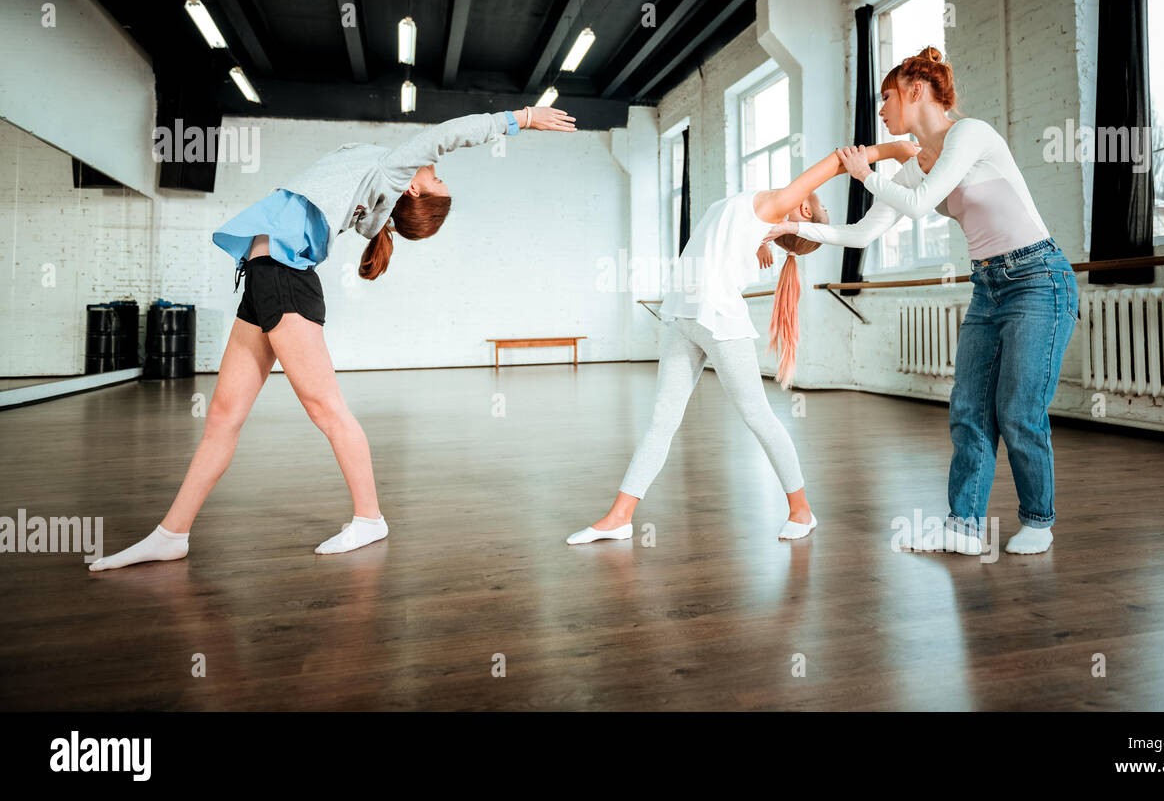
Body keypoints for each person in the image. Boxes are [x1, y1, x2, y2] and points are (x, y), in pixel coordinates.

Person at [90, 105, 577, 571]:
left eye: (439, 179)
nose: (437, 169)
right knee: (222, 417)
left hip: (284, 279)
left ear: (412, 190)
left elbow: (446, 134)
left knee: (327, 410)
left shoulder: (392, 170)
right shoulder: (376, 174)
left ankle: (369, 519)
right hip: (261, 279)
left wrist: (521, 120)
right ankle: (172, 535)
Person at [767, 46, 1077, 556]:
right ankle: (964, 529)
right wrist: (793, 226)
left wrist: (866, 173)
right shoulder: (919, 165)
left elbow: (916, 205)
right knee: (969, 410)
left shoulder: (971, 134)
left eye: (886, 98)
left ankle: (1038, 521)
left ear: (916, 91)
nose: (883, 111)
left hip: (1039, 278)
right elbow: (864, 233)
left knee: (1019, 409)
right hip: (989, 285)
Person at [567, 136, 920, 545]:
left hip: (717, 320)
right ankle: (619, 517)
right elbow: (731, 235)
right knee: (662, 422)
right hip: (683, 315)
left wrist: (891, 152)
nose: (809, 193)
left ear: (803, 207)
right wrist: (762, 241)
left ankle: (802, 511)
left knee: (758, 416)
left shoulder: (772, 207)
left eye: (811, 199)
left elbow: (835, 164)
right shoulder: (762, 213)